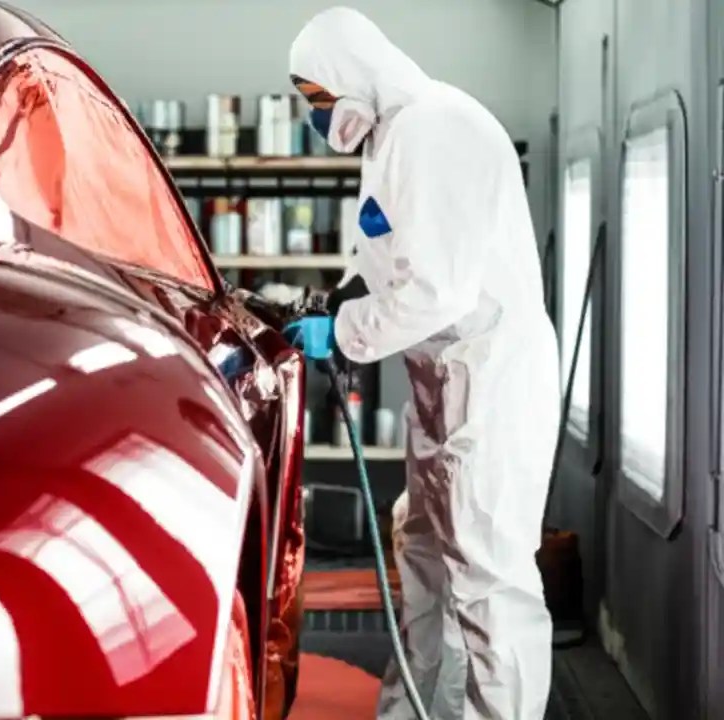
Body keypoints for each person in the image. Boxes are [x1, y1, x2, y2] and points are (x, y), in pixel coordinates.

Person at [289, 8, 560, 719]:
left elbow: (436, 291)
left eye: (319, 97)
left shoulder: (437, 128)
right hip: (441, 381)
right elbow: (386, 253)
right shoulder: (389, 137)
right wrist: (344, 296)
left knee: (487, 580)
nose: (318, 115)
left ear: (351, 72)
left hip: (490, 383)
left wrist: (342, 333)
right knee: (425, 556)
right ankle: (417, 710)